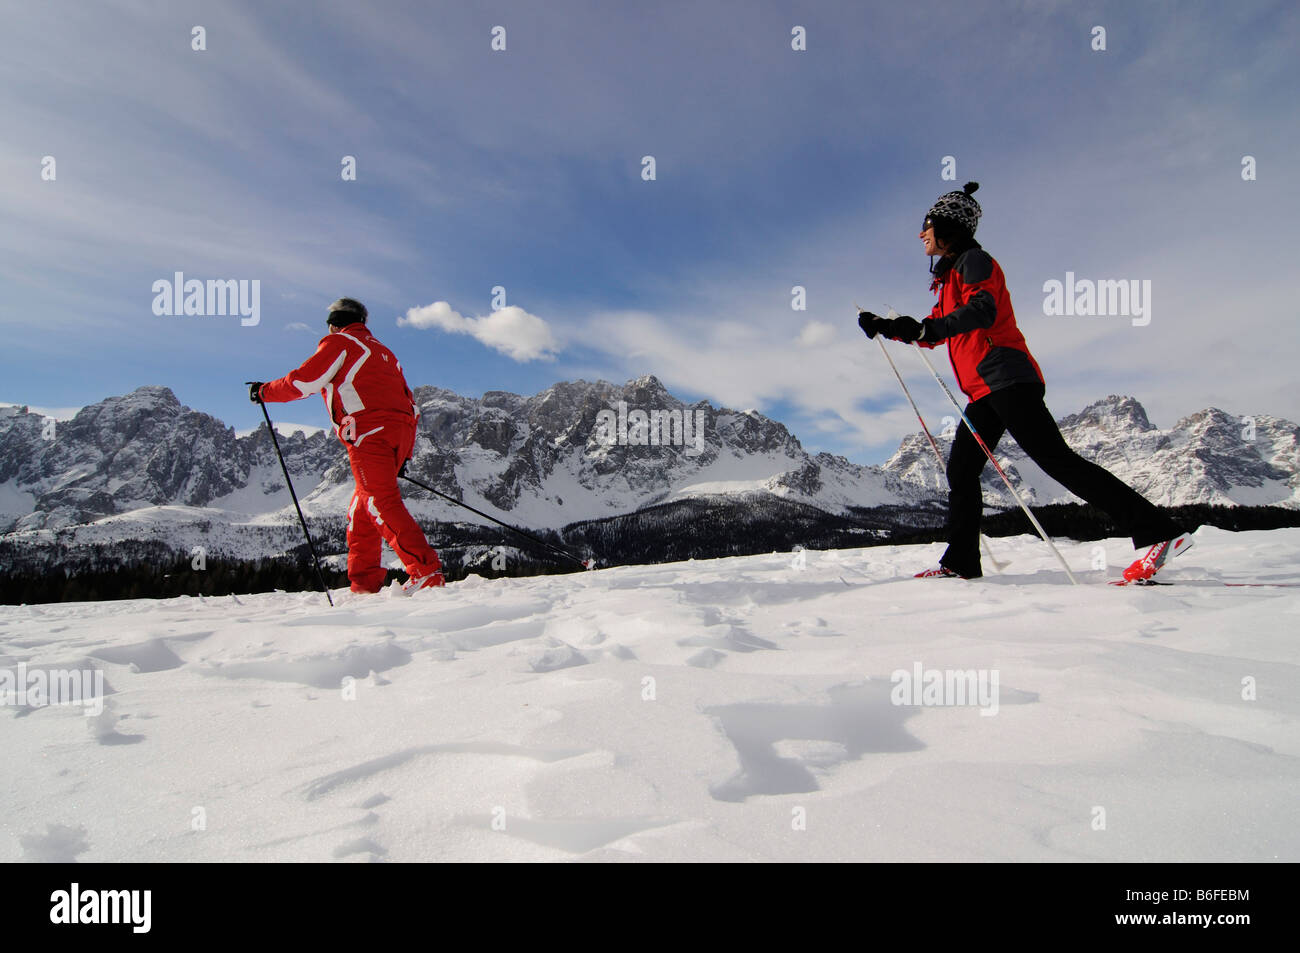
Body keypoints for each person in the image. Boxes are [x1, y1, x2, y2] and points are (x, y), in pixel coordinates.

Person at [858, 183, 1192, 583]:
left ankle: (1161, 532)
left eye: (927, 225)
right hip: (984, 390)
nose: (920, 233)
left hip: (1008, 378)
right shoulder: (948, 280)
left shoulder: (974, 261)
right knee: (962, 471)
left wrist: (926, 326)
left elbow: (981, 311)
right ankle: (961, 561)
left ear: (947, 226)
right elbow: (934, 332)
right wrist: (889, 327)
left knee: (1055, 460)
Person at [249, 298, 444, 594]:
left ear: (333, 322)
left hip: (369, 433)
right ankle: (364, 585)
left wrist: (264, 392)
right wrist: (404, 453)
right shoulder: (385, 353)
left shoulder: (340, 343)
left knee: (380, 502)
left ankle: (426, 572)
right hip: (399, 433)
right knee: (361, 508)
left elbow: (304, 382)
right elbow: (410, 403)